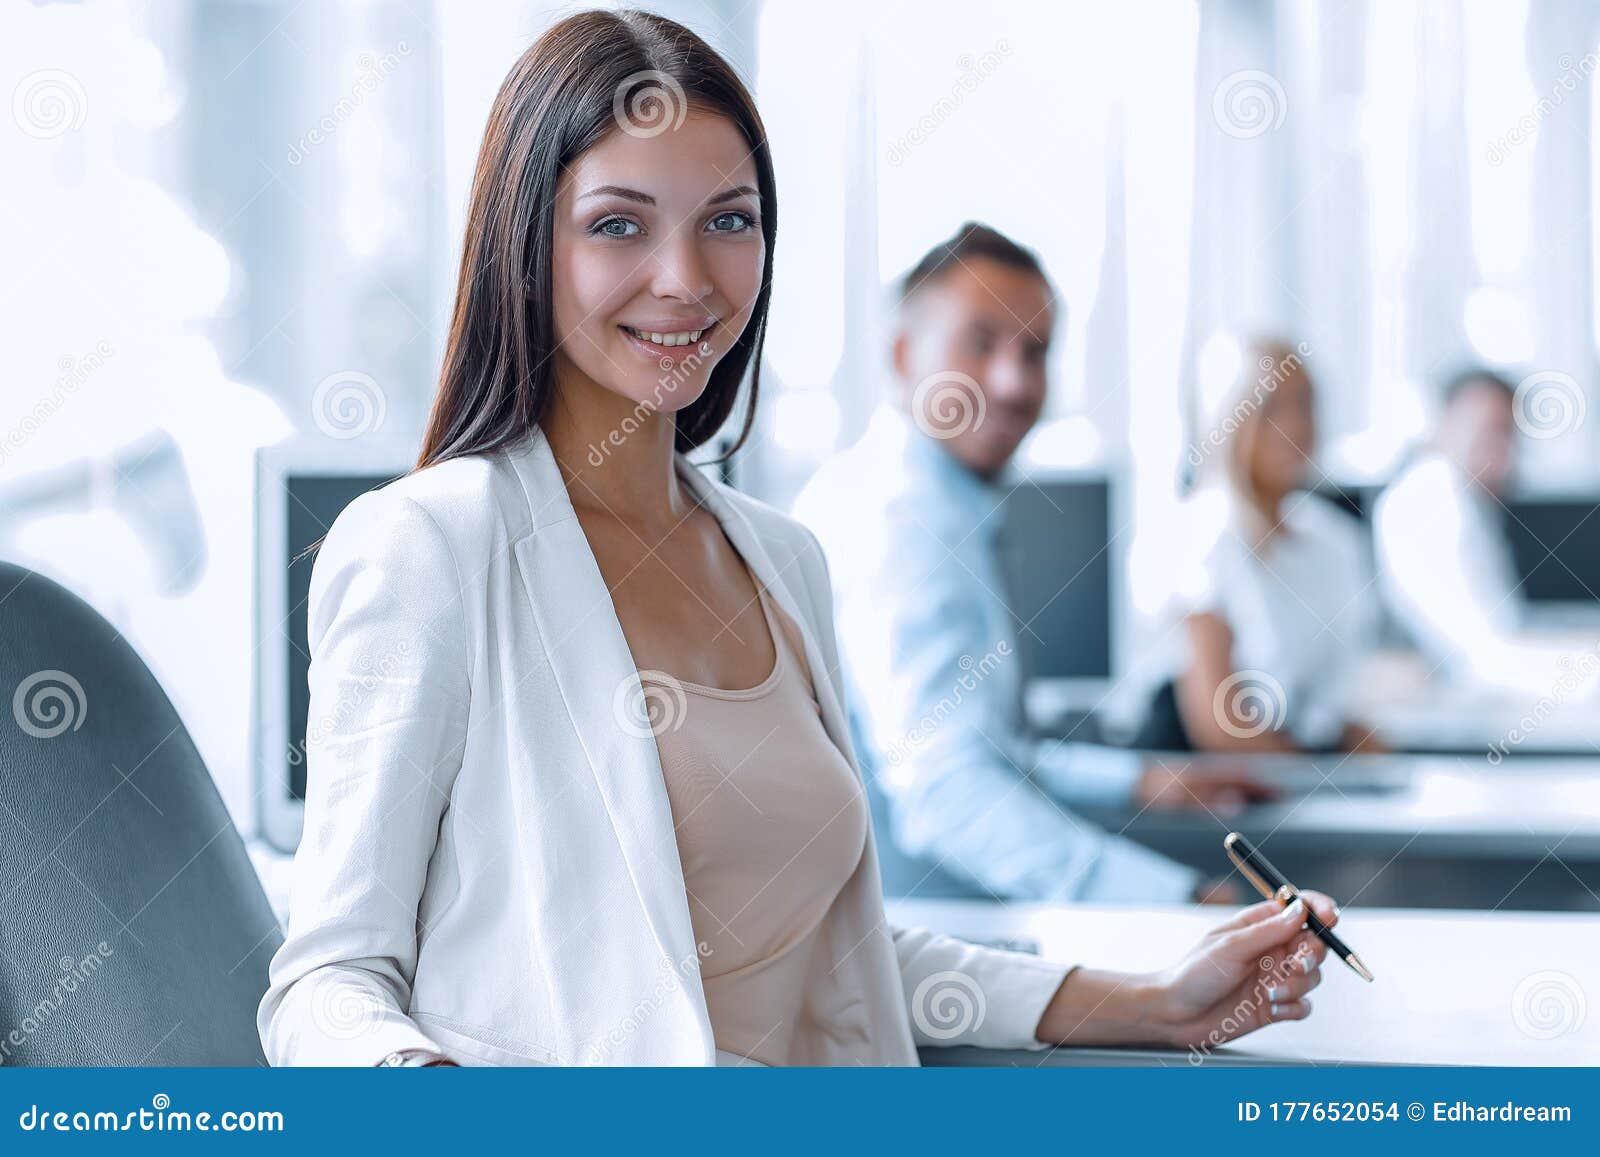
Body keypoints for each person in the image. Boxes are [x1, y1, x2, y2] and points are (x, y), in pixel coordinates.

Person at [259, 11, 1335, 1068]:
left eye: (727, 220)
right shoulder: (432, 546)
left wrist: (1153, 997)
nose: (685, 277)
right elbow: (328, 982)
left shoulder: (781, 559)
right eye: (619, 224)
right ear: (526, 246)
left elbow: (833, 958)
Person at [794, 224, 1273, 906]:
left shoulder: (933, 499)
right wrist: (1178, 902)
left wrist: (1136, 783)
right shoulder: (900, 520)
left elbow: (990, 752)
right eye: (980, 342)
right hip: (923, 945)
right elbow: (950, 792)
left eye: (1036, 350)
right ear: (903, 355)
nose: (1015, 381)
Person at [1127, 336, 1384, 754]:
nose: (1296, 428)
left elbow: (1329, 701)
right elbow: (1220, 728)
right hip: (1215, 786)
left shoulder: (1331, 539)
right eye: (1270, 410)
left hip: (1296, 766)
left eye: (1305, 405)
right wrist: (1326, 776)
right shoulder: (1194, 538)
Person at [1373, 368, 1592, 694]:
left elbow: (1506, 627)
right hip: (1461, 707)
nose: (1504, 454)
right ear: (1444, 424)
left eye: (1510, 437)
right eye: (1491, 432)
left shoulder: (1464, 500)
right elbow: (1484, 661)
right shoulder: (1432, 496)